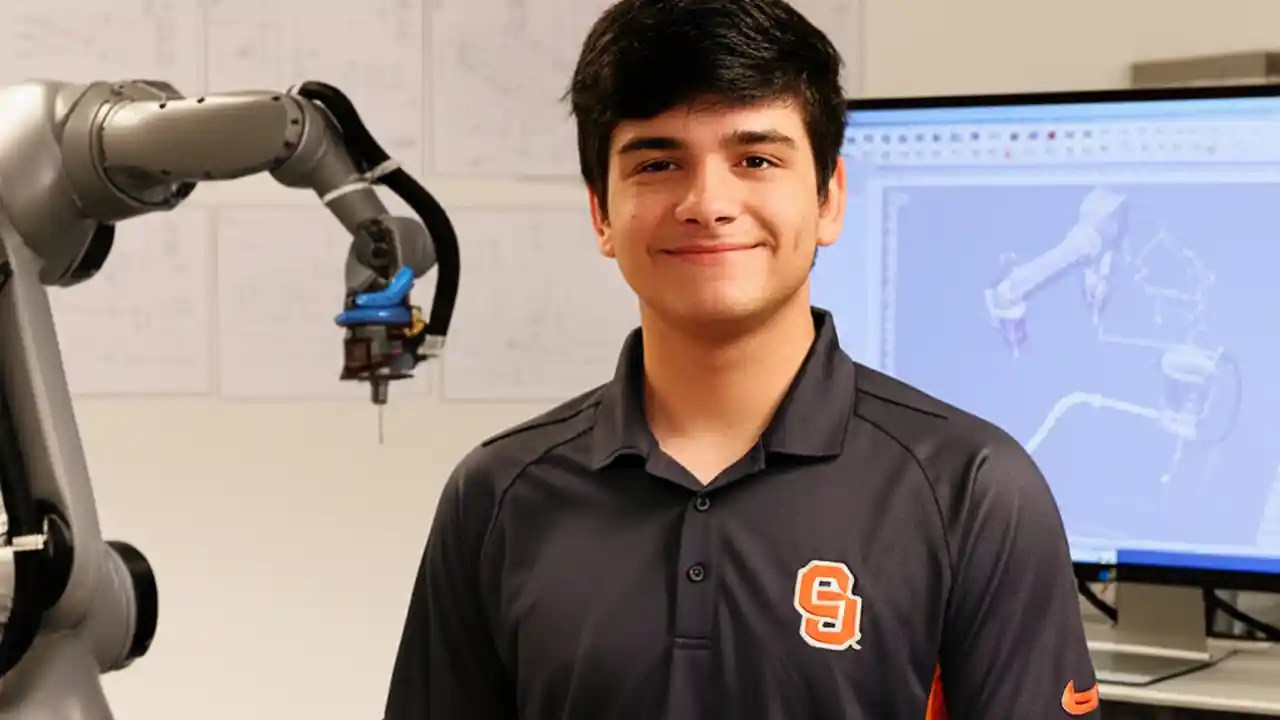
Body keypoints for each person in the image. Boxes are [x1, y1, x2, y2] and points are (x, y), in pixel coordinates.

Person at [382, 0, 1101, 718]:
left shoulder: (972, 490)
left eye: (755, 159)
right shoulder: (498, 496)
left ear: (828, 197)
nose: (707, 202)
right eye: (659, 163)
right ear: (602, 213)